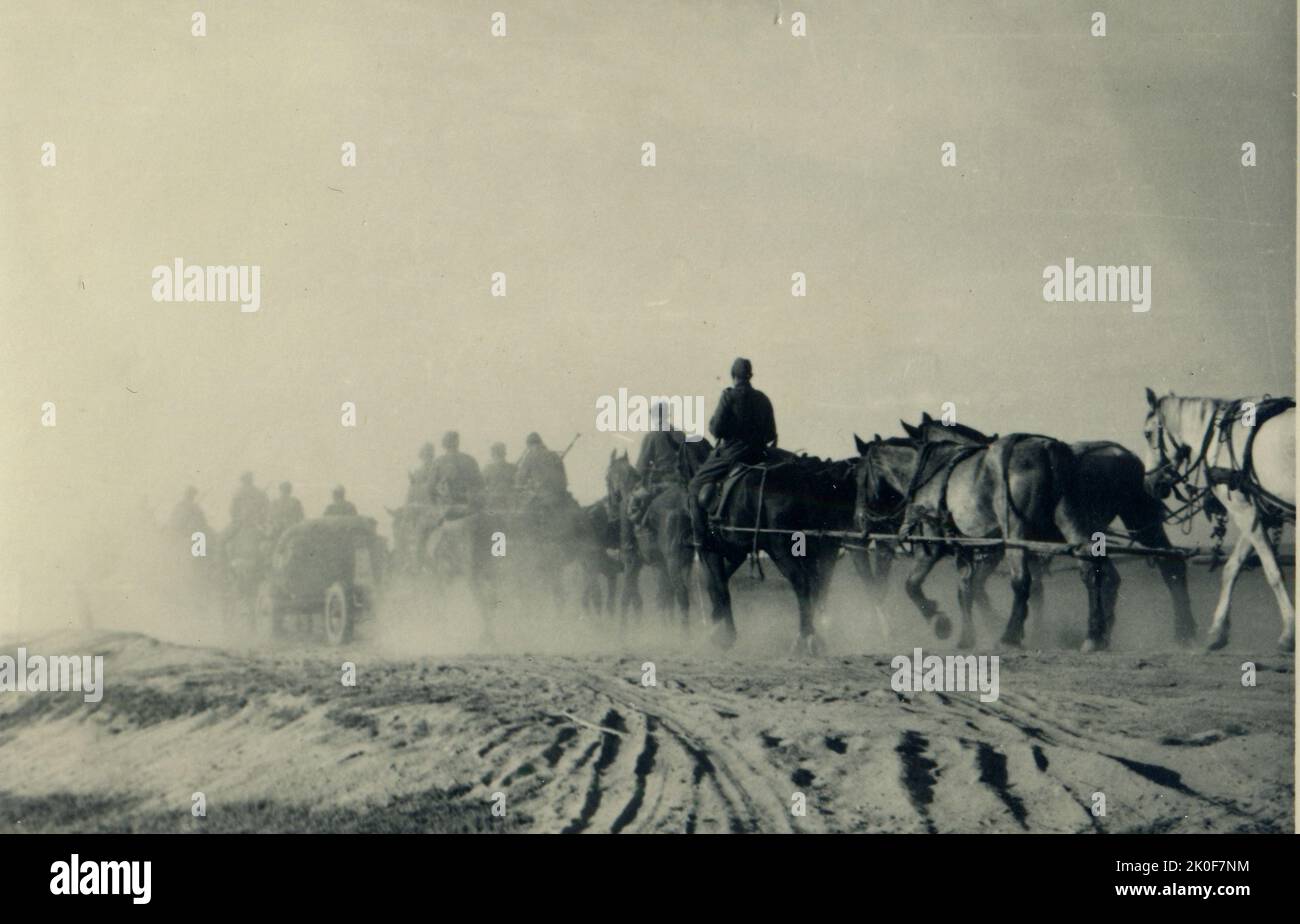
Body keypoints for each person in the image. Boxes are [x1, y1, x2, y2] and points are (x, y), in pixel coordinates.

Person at [688, 357, 778, 547]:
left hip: (733, 454)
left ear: (733, 376)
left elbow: (716, 430)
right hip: (761, 454)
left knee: (694, 486)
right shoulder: (763, 398)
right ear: (750, 375)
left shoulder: (729, 396)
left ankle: (700, 539)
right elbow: (771, 434)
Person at [429, 431, 484, 505]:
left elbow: (431, 488)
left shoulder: (438, 462)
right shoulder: (469, 459)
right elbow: (480, 484)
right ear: (458, 442)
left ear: (444, 444)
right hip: (467, 506)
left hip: (445, 507)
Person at [515, 432, 569, 507]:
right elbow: (564, 480)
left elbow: (520, 479)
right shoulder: (554, 455)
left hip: (543, 498)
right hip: (562, 496)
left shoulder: (530, 457)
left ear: (529, 445)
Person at [481, 442, 517, 509]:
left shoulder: (488, 468)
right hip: (509, 503)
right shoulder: (513, 468)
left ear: (492, 454)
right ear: (504, 454)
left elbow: (482, 485)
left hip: (493, 502)